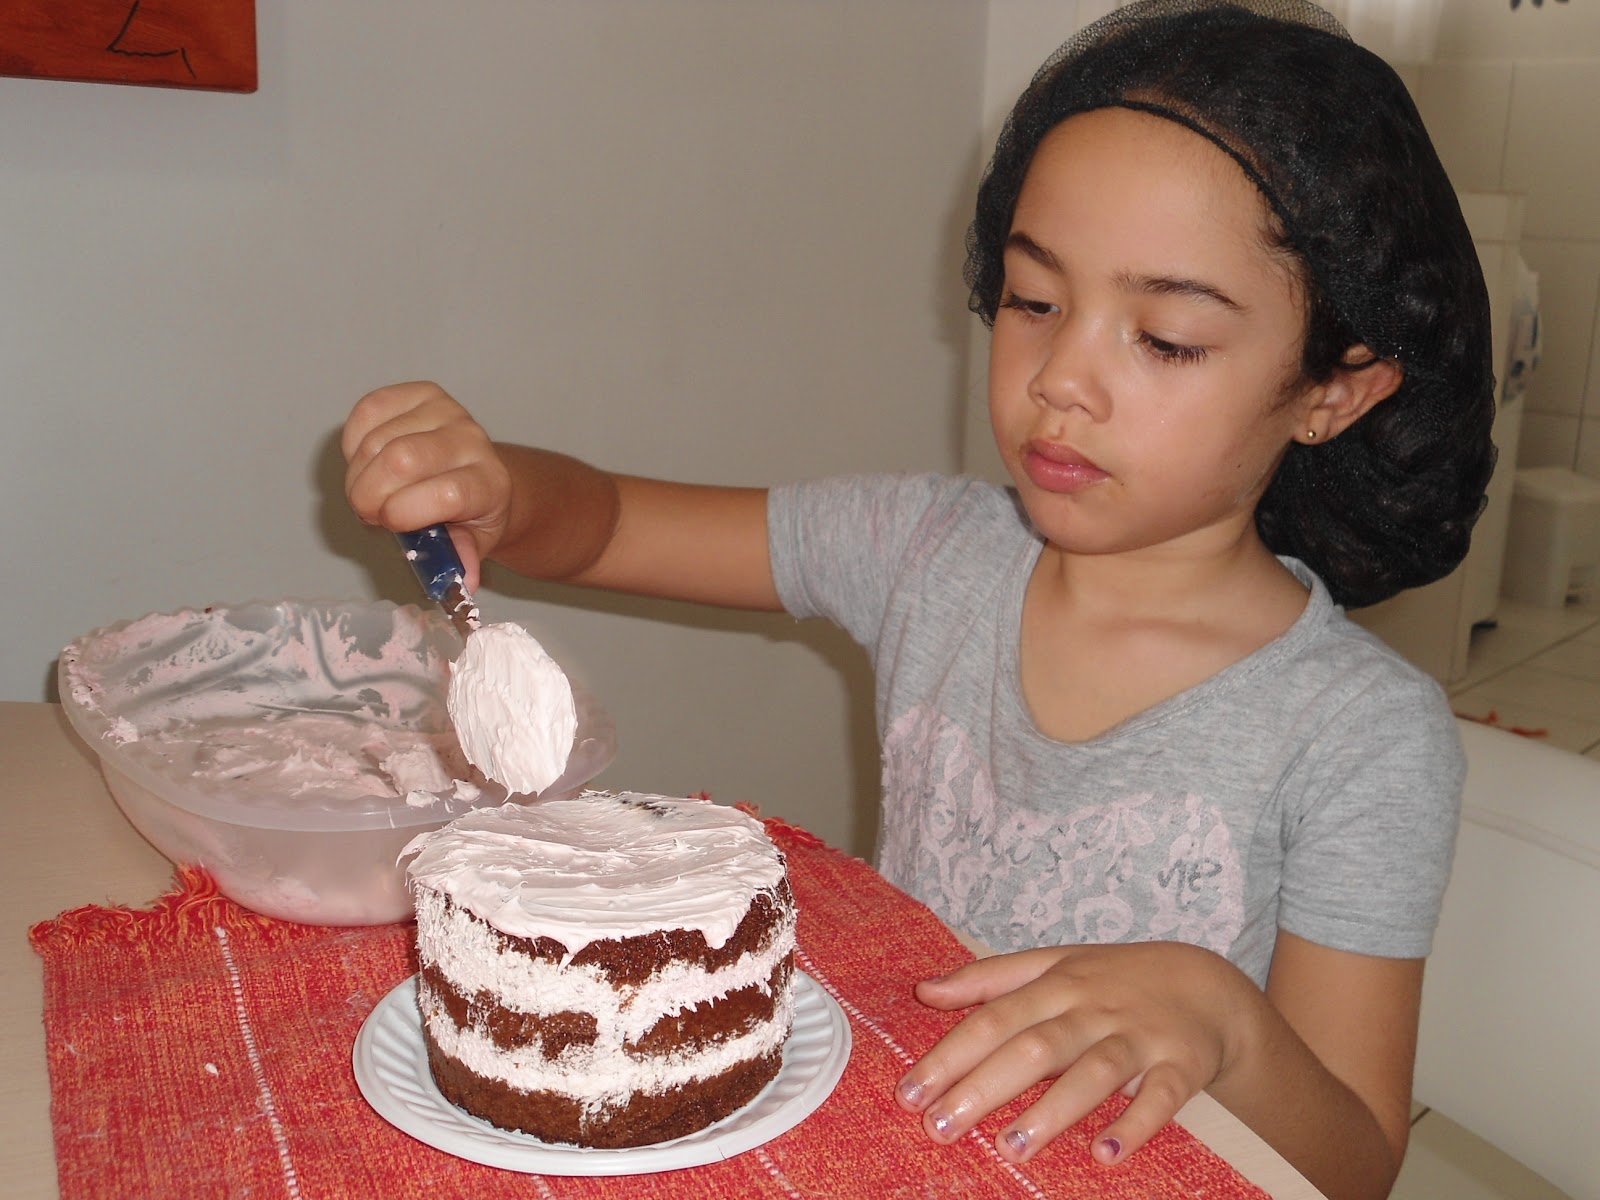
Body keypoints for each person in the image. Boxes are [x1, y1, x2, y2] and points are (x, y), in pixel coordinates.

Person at [341, 3, 1495, 1197]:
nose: (1058, 379)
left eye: (1163, 337)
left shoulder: (1364, 737)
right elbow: (619, 524)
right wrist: (500, 491)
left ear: (1333, 391)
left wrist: (1225, 1022)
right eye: (1036, 302)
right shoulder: (930, 551)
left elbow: (1353, 1165)